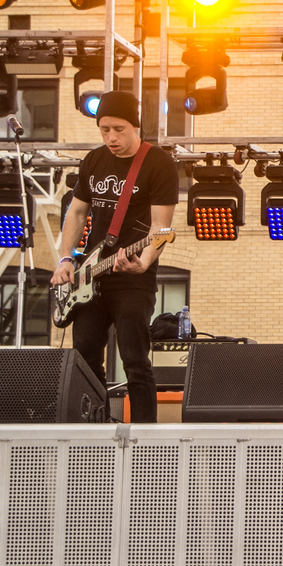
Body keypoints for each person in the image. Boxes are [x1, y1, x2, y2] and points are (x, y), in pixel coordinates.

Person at [50, 90, 179, 423]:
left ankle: (146, 437)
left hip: (133, 277)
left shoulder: (158, 163)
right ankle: (96, 429)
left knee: (135, 359)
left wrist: (145, 261)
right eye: (104, 129)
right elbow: (77, 213)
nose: (111, 137)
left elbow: (162, 230)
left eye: (119, 129)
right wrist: (66, 258)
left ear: (136, 126)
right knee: (85, 355)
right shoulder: (93, 160)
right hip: (91, 273)